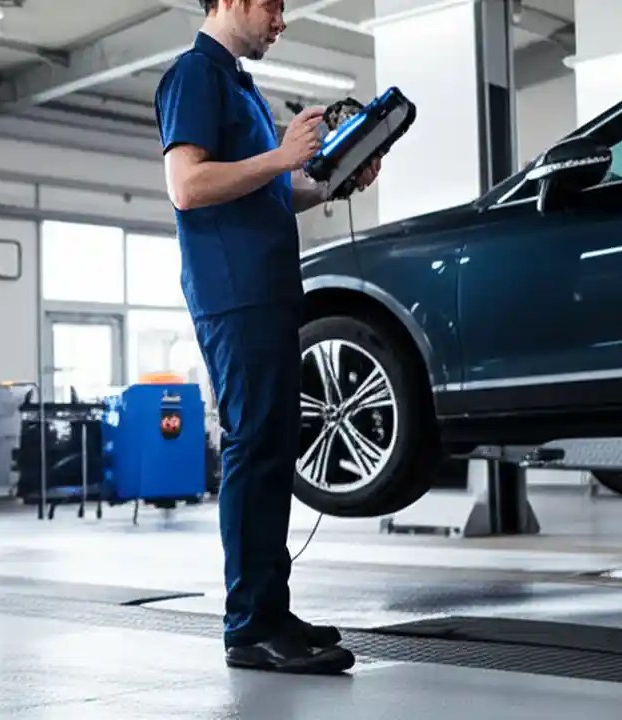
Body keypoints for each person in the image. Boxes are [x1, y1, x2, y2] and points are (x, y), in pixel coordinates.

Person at [153, 0, 380, 674]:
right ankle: (250, 627)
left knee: (275, 450)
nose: (281, 21)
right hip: (234, 291)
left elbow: (273, 190)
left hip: (269, 288)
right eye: (273, 6)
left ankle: (270, 610)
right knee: (254, 448)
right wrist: (281, 155)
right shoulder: (194, 75)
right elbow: (186, 185)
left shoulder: (242, 88)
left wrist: (333, 179)